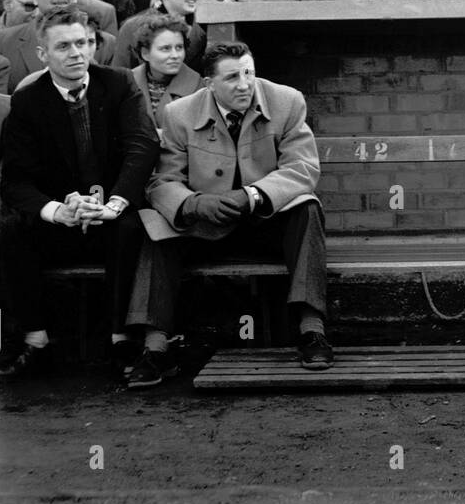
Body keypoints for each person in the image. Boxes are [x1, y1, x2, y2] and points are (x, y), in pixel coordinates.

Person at [125, 41, 334, 384]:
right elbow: (162, 179)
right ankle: (156, 346)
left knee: (307, 208)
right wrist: (192, 203)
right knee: (156, 226)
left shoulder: (287, 101)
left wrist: (254, 195)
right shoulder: (179, 114)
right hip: (206, 227)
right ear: (209, 84)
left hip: (266, 222)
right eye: (232, 77)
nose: (244, 84)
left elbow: (302, 168)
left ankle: (311, 328)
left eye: (249, 73)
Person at [0, 6, 159, 378]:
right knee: (11, 231)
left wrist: (116, 203)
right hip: (61, 219)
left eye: (84, 43)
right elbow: (16, 179)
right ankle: (34, 341)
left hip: (112, 213)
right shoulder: (28, 101)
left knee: (133, 229)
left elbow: (142, 145)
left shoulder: (118, 84)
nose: (77, 53)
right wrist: (56, 210)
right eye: (64, 46)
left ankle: (122, 340)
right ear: (43, 54)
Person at [130, 12, 203, 134]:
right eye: (165, 48)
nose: (175, 55)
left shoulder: (198, 87)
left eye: (179, 47)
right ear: (145, 53)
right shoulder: (128, 81)